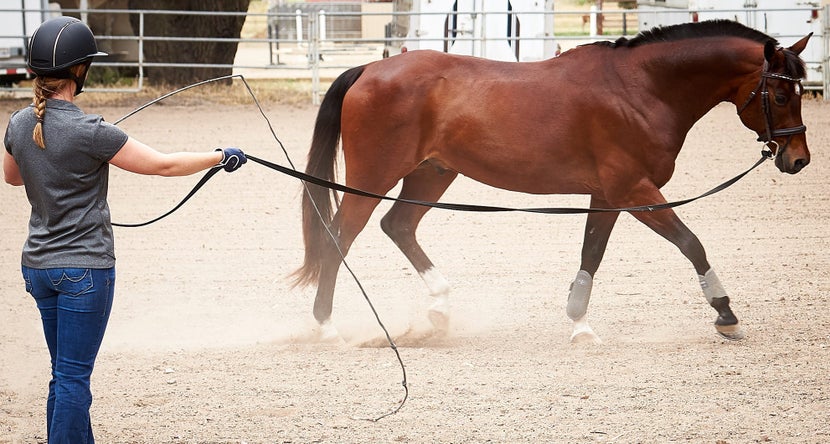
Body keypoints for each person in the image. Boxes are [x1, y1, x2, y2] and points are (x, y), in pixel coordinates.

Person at [2, 16, 247, 443]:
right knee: (74, 380)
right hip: (84, 271)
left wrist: (58, 160)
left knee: (63, 376)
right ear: (81, 70)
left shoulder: (20, 123)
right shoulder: (90, 130)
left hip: (38, 269)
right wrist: (218, 155)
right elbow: (163, 164)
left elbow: (13, 176)